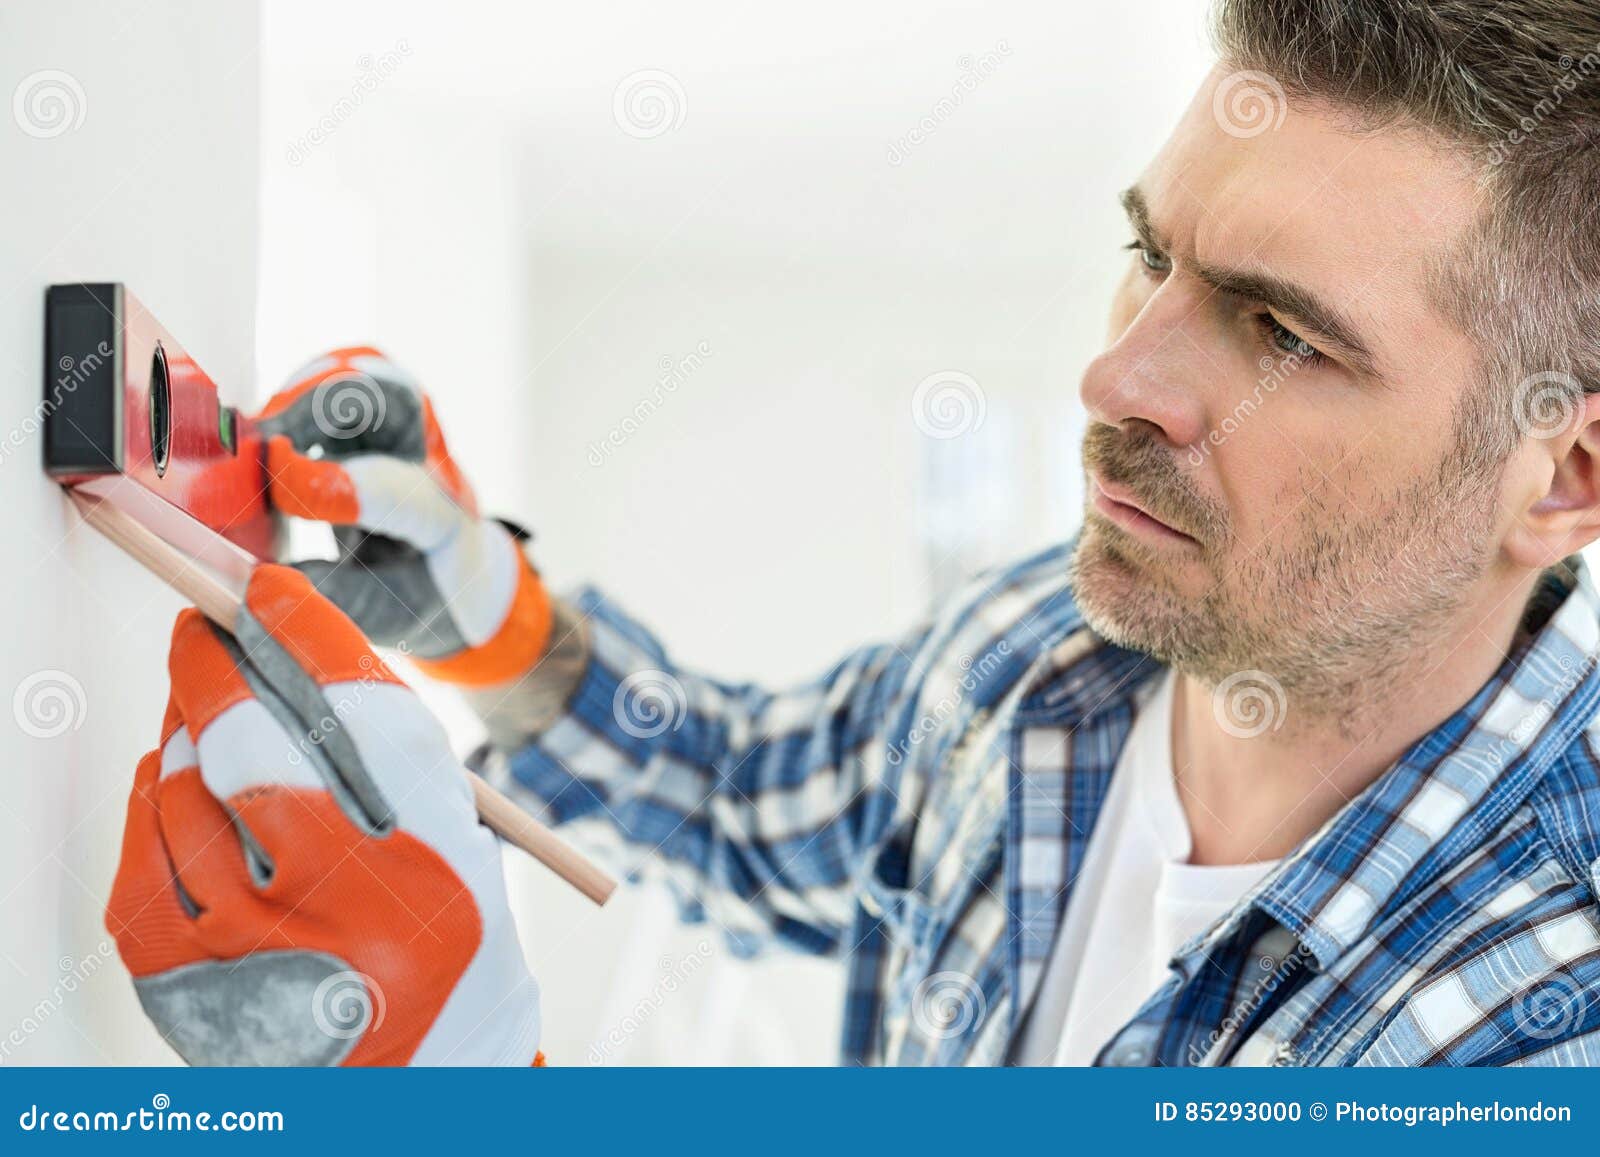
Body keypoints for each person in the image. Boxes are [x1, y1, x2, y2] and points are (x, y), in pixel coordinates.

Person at [107, 0, 1600, 1066]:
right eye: (1150, 254)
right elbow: (738, 790)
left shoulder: (1539, 1030)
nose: (1118, 375)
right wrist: (491, 620)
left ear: (1564, 475)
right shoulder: (1042, 652)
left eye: (1282, 331)